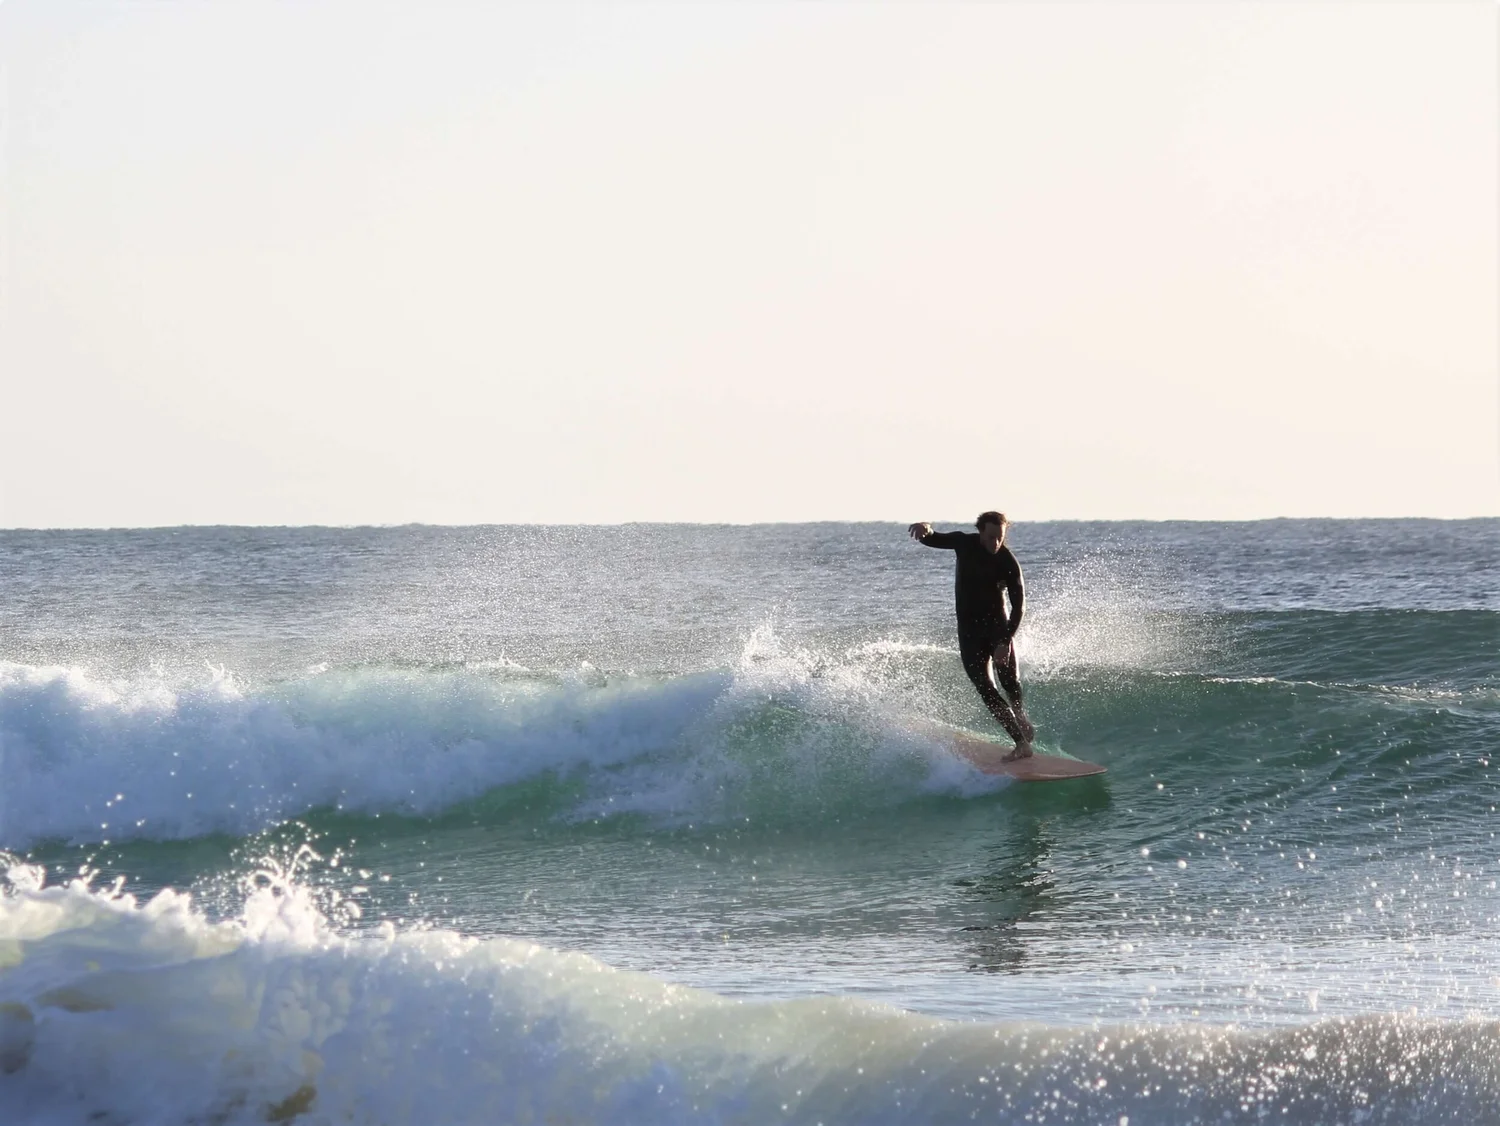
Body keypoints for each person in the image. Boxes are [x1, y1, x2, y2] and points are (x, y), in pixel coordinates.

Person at [908, 511, 1037, 759]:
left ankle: (1019, 714)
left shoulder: (1007, 562)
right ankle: (1021, 744)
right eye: (990, 537)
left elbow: (1019, 607)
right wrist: (926, 527)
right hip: (969, 632)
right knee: (985, 687)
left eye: (999, 537)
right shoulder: (963, 543)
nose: (995, 543)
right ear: (980, 532)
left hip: (997, 628)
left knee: (1009, 680)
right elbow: (934, 538)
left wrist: (1005, 641)